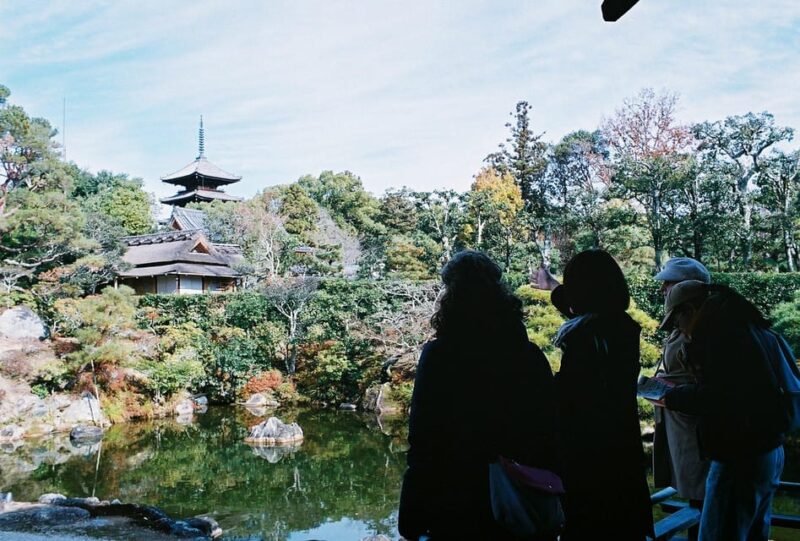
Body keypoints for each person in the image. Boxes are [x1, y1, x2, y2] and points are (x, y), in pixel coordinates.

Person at [398, 251, 557, 541]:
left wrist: (412, 512)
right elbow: (548, 429)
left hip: (455, 497)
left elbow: (424, 436)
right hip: (518, 497)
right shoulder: (529, 356)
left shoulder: (439, 357)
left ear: (451, 298)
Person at [540, 250, 653, 540]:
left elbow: (570, 398)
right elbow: (578, 304)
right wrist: (553, 286)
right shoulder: (622, 327)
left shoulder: (584, 337)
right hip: (622, 458)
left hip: (590, 466)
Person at [662, 281, 786, 541]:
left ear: (689, 310)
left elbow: (719, 396)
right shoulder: (748, 326)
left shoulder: (718, 334)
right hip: (768, 448)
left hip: (738, 455)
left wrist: (673, 396)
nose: (680, 330)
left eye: (677, 322)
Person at [652, 258, 711, 526]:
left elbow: (708, 385)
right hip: (681, 425)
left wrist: (672, 391)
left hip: (697, 430)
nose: (664, 288)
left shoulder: (700, 330)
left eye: (670, 282)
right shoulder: (680, 325)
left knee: (705, 500)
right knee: (696, 497)